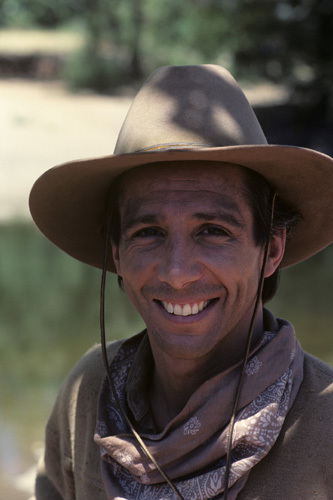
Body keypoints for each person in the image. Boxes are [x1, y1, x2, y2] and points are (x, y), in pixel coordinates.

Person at [29, 65, 333, 500]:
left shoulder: (324, 425)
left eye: (213, 231)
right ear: (116, 252)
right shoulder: (89, 390)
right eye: (147, 233)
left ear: (272, 249)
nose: (177, 272)